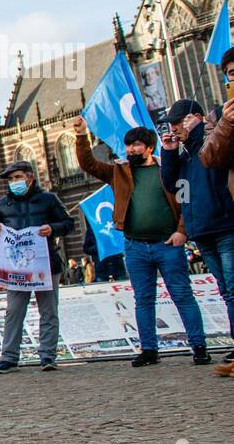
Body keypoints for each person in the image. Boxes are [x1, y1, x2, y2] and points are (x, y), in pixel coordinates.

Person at [74, 116, 208, 366]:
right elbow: (88, 163)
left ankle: (198, 346)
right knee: (143, 299)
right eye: (128, 145)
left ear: (148, 148)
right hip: (135, 245)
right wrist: (81, 136)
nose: (130, 149)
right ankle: (148, 349)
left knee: (182, 295)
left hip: (167, 245)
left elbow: (187, 200)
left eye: (136, 145)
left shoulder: (168, 168)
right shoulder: (119, 172)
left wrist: (182, 231)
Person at [162, 97, 234, 367]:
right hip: (202, 232)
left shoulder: (212, 143)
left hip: (225, 226)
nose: (174, 129)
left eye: (177, 123)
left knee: (233, 289)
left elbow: (213, 160)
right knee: (227, 290)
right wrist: (168, 153)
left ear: (195, 118)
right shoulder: (182, 158)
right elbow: (173, 186)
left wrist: (196, 134)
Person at [0, 160, 73, 373]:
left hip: (46, 264)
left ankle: (48, 356)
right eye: (10, 179)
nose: (13, 182)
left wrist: (52, 228)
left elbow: (68, 224)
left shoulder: (49, 199)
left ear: (29, 177)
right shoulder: (1, 204)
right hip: (16, 269)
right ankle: (9, 357)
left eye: (17, 178)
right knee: (14, 311)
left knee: (49, 311)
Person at [196, 83, 234, 372]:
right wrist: (225, 123)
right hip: (217, 222)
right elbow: (208, 158)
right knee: (229, 289)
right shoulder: (220, 116)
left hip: (223, 223)